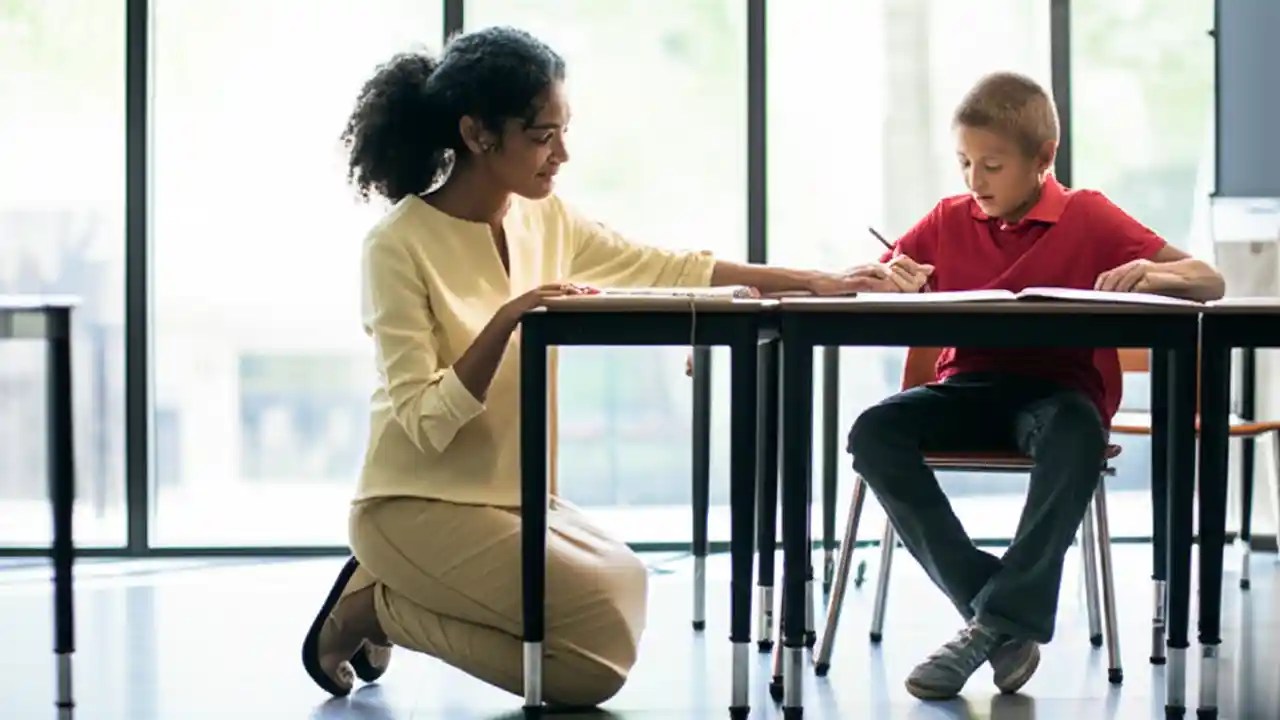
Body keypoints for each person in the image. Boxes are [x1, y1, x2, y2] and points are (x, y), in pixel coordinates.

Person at [299, 26, 931, 708]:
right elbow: (425, 422)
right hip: (412, 503)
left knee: (625, 584)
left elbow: (668, 267)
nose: (562, 154)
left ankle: (388, 594)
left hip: (514, 499)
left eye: (564, 132)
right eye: (542, 136)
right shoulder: (396, 244)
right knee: (586, 670)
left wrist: (817, 280)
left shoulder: (546, 220)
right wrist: (510, 317)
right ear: (478, 134)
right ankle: (376, 609)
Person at [845, 71, 1225, 701]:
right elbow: (860, 284)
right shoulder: (947, 219)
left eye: (992, 165)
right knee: (873, 432)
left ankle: (993, 621)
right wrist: (884, 279)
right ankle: (1000, 618)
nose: (975, 181)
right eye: (965, 162)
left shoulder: (1089, 215)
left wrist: (1153, 273)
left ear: (1043, 158)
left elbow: (1210, 280)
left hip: (1056, 397)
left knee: (1076, 431)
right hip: (968, 389)